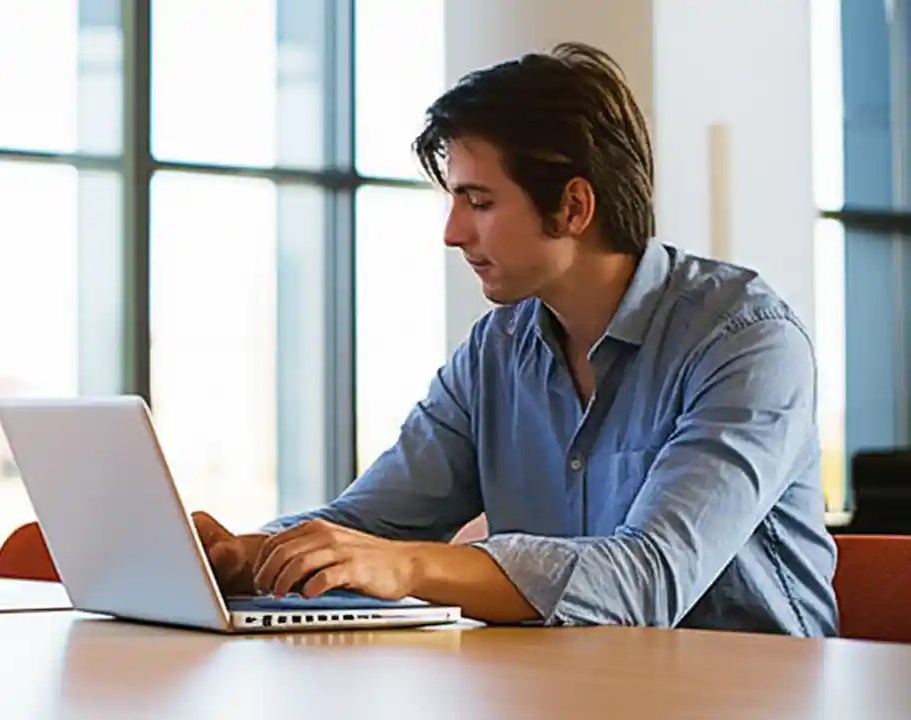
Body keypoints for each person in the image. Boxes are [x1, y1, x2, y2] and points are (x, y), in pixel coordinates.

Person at [192, 42, 838, 636]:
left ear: (573, 208)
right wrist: (246, 555)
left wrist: (414, 569)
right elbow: (369, 525)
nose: (452, 232)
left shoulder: (747, 345)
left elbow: (648, 580)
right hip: (568, 694)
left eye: (478, 201)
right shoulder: (496, 352)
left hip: (755, 695)